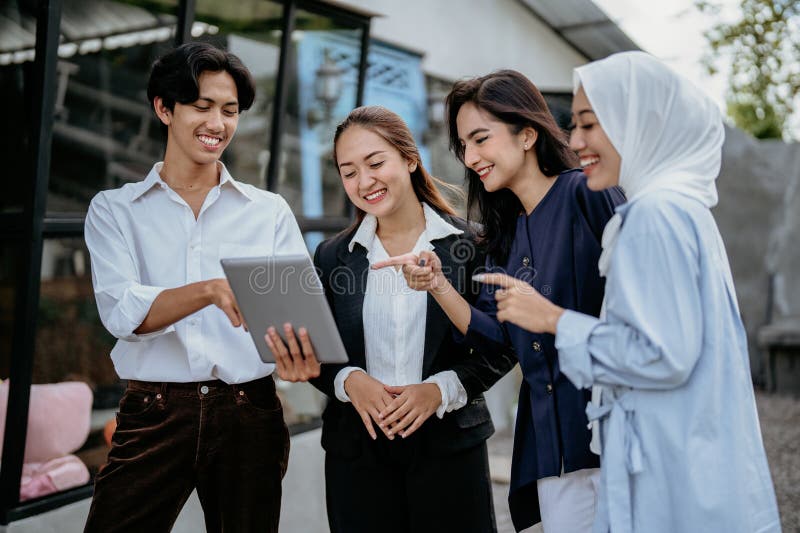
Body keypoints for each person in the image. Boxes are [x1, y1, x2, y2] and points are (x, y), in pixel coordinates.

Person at [476, 51, 781, 533]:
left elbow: (660, 353)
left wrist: (553, 319)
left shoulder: (652, 216)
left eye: (590, 125)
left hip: (669, 465)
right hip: (694, 457)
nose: (575, 142)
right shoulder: (684, 208)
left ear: (639, 121)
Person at [373, 70, 626, 532]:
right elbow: (495, 341)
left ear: (527, 134)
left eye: (480, 139)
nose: (470, 158)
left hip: (613, 432)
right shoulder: (505, 235)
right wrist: (438, 285)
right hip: (552, 446)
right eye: (463, 146)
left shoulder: (587, 194)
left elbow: (634, 311)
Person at [83, 42, 314, 533]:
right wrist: (210, 290)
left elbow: (295, 317)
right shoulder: (114, 209)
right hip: (154, 412)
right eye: (202, 106)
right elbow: (123, 313)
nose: (218, 124)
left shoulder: (267, 210)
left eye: (229, 111)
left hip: (249, 411)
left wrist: (301, 354)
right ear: (164, 109)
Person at [265, 105, 516, 533]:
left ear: (410, 158)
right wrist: (349, 381)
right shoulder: (332, 255)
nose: (364, 181)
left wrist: (440, 389)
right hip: (357, 456)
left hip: (449, 447)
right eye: (348, 171)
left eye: (375, 162)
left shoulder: (473, 244)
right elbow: (317, 350)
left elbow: (502, 343)